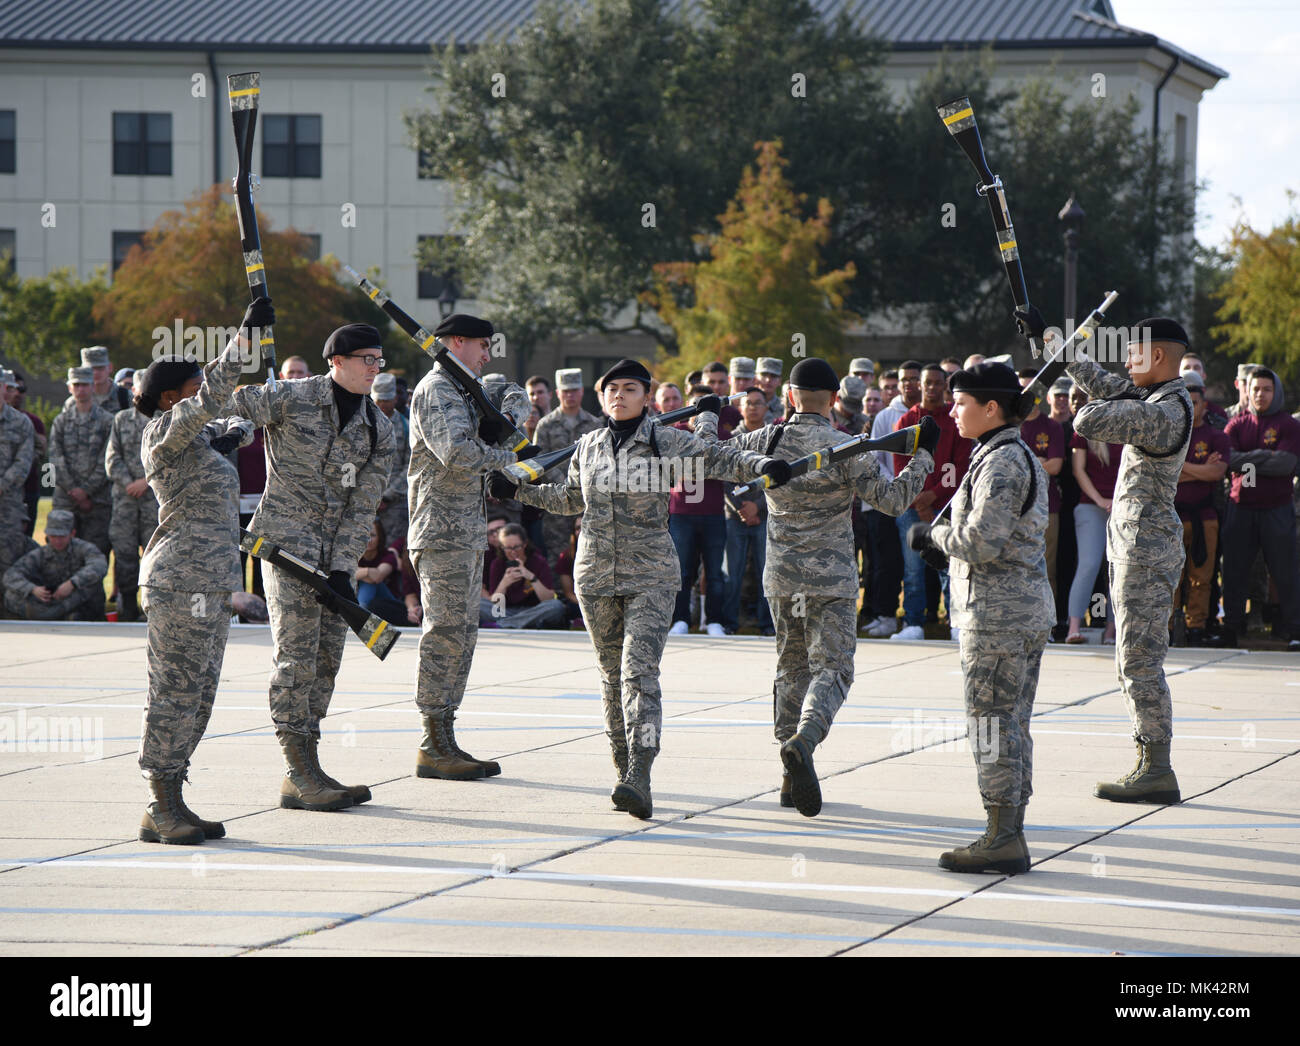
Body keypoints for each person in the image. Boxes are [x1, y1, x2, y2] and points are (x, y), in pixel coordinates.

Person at [490, 358, 784, 818]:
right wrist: (518, 491)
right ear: (601, 397)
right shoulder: (586, 446)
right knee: (610, 681)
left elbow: (719, 457)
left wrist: (764, 464)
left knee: (638, 674)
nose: (620, 396)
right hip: (595, 576)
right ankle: (623, 771)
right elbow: (570, 498)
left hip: (650, 575)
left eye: (631, 389)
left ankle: (641, 774)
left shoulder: (665, 441)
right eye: (612, 389)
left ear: (647, 398)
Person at [730, 358, 936, 816]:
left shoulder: (767, 439)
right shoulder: (848, 448)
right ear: (835, 400)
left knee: (790, 669)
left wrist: (706, 417)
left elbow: (713, 456)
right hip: (833, 578)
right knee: (834, 669)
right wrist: (923, 456)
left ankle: (789, 771)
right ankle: (805, 738)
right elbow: (893, 501)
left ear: (789, 396)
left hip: (783, 578)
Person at [227, 322, 395, 810]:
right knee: (296, 657)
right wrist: (244, 340)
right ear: (336, 360)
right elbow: (225, 402)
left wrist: (344, 568)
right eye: (366, 358)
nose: (374, 368)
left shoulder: (379, 428)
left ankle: (310, 763)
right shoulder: (291, 396)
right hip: (284, 547)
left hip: (332, 557)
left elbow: (363, 506)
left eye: (378, 360)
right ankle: (296, 768)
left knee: (327, 659)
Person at [133, 299, 271, 843]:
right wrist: (246, 338)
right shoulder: (163, 430)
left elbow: (229, 419)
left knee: (200, 693)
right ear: (172, 397)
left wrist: (230, 433)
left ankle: (175, 797)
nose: (204, 400)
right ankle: (159, 803)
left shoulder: (194, 438)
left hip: (210, 584)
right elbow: (215, 394)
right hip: (176, 580)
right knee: (173, 689)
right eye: (193, 391)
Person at [908, 362, 1051, 874]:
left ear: (991, 408)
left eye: (961, 402)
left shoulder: (1003, 462)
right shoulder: (1000, 454)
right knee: (1010, 725)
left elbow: (982, 542)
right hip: (1013, 611)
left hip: (999, 617)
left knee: (992, 725)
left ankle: (1003, 835)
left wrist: (933, 538)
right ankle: (1006, 829)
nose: (952, 411)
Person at [1046, 312, 1194, 804]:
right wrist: (1054, 343)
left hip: (1147, 550)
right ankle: (1151, 760)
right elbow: (1103, 383)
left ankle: (1157, 767)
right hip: (1136, 544)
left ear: (1156, 356)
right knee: (1132, 657)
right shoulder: (1153, 397)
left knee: (1139, 660)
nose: (1124, 361)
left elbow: (1090, 417)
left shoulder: (1167, 411)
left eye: (1132, 352)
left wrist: (1092, 401)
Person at [407, 313, 535, 782]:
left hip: (463, 532)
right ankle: (432, 741)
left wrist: (508, 420)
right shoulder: (437, 390)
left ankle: (444, 737)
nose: (487, 355)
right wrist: (510, 455)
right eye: (482, 345)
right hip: (440, 533)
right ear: (455, 342)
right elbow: (459, 454)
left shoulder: (466, 390)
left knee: (462, 635)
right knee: (444, 634)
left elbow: (514, 393)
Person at [1222, 366, 1300, 648]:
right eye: (1255, 389)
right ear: (1247, 390)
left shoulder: (1289, 425)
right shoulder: (1236, 424)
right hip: (1241, 508)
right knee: (1233, 570)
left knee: (1285, 571)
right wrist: (1265, 455)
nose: (1260, 394)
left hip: (1276, 509)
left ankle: (1292, 629)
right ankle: (1231, 627)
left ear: (1275, 391)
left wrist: (1248, 459)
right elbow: (1228, 460)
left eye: (1266, 389)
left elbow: (1286, 465)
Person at [892, 363, 970, 641]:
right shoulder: (906, 421)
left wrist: (934, 496)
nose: (933, 388)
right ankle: (913, 623)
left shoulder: (953, 420)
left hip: (945, 506)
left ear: (945, 385)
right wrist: (919, 501)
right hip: (912, 507)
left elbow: (958, 467)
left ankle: (956, 622)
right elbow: (902, 465)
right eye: (928, 383)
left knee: (950, 566)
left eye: (939, 383)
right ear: (920, 385)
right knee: (913, 568)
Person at [667, 385, 732, 636]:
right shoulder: (676, 434)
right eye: (697, 408)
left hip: (713, 513)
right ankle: (680, 619)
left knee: (714, 571)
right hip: (681, 513)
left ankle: (714, 620)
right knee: (681, 570)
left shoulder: (721, 436)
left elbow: (721, 467)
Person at [1173, 372, 1230, 645]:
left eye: (1195, 402)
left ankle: (1196, 628)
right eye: (1185, 401)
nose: (1190, 407)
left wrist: (1183, 469)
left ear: (1204, 406)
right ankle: (1171, 628)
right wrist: (1201, 469)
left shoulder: (1216, 436)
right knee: (1172, 577)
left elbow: (1216, 473)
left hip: (1204, 516)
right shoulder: (1171, 436)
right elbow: (1167, 473)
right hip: (1172, 517)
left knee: (1202, 577)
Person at [105, 370, 159, 621]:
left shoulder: (161, 420)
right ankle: (127, 608)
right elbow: (112, 458)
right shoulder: (121, 419)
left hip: (153, 501)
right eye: (139, 388)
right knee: (125, 555)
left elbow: (168, 458)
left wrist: (145, 482)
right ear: (133, 391)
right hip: (125, 500)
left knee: (154, 556)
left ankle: (153, 609)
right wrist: (129, 483)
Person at [534, 368, 601, 569]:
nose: (570, 395)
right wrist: (565, 483)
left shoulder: (595, 424)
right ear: (557, 393)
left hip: (587, 500)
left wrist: (580, 483)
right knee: (557, 555)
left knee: (590, 553)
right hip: (556, 500)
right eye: (565, 391)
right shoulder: (545, 425)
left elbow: (601, 460)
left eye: (574, 390)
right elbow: (539, 460)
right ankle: (560, 599)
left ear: (581, 391)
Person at [1065, 409, 1121, 644]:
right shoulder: (1084, 430)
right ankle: (1073, 628)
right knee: (1088, 565)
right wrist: (1099, 500)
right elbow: (1078, 470)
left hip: (1121, 507)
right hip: (1091, 505)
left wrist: (1118, 501)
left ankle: (1111, 631)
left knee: (1116, 569)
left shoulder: (1128, 430)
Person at [722, 387, 775, 636]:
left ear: (766, 407)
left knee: (767, 571)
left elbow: (779, 476)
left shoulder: (774, 438)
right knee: (733, 572)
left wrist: (759, 506)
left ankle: (767, 624)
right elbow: (722, 477)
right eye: (748, 403)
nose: (753, 407)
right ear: (741, 408)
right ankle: (729, 623)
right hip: (735, 515)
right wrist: (741, 507)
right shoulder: (730, 439)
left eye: (758, 403)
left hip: (765, 514)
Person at [48, 366, 114, 556]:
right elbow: (54, 459)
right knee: (60, 555)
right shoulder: (60, 421)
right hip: (65, 500)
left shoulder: (107, 421)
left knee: (96, 553)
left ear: (93, 386)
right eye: (76, 385)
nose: (80, 389)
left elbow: (107, 459)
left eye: (85, 385)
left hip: (98, 500)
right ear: (69, 388)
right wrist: (74, 491)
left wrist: (86, 491)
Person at [3, 508, 107, 620]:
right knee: (11, 595)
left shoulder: (85, 548)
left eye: (62, 536)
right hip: (53, 600)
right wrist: (33, 589)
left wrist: (72, 583)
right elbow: (11, 575)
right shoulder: (40, 554)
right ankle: (54, 615)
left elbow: (99, 565)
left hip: (78, 602)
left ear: (72, 533)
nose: (57, 541)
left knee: (92, 586)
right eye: (53, 536)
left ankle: (52, 615)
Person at [1017, 368, 1065, 610]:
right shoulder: (1009, 426)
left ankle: (1048, 622)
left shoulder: (1052, 427)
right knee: (1016, 566)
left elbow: (1056, 465)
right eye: (1023, 388)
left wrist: (1023, 463)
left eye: (1033, 389)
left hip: (1047, 507)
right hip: (1012, 509)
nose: (1028, 394)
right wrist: (1039, 461)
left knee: (1047, 566)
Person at [481, 523, 569, 629]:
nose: (513, 552)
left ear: (525, 544)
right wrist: (504, 583)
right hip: (506, 611)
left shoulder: (538, 561)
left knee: (556, 606)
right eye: (508, 548)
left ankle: (504, 624)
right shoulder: (497, 564)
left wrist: (531, 577)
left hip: (533, 611)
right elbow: (494, 603)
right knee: (478, 604)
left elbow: (548, 599)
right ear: (502, 548)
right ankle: (518, 623)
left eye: (517, 547)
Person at [0, 367, 35, 574]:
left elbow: (24, 462)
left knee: (8, 563)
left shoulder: (21, 422)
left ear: (4, 388)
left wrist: (2, 485)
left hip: (9, 506)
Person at [5, 370, 46, 539]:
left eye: (20, 390)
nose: (16, 394)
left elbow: (40, 450)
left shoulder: (30, 422)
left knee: (22, 541)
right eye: (10, 388)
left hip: (25, 490)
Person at [371, 372, 410, 546]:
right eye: (379, 400)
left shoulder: (406, 426)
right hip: (365, 498)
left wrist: (387, 496)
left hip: (395, 503)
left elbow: (410, 466)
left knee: (393, 549)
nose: (383, 405)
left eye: (387, 400)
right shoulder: (362, 423)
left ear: (395, 398)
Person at [355, 517, 410, 625]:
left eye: (373, 535)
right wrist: (367, 572)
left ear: (380, 537)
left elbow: (378, 576)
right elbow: (346, 573)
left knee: (372, 584)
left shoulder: (388, 556)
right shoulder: (355, 555)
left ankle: (360, 617)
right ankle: (362, 613)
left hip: (390, 605)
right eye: (365, 535)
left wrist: (359, 572)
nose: (369, 539)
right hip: (365, 602)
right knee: (368, 581)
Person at [75, 346, 131, 414]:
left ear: (110, 367)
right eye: (91, 369)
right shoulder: (76, 401)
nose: (96, 372)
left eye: (100, 368)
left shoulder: (125, 396)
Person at [757, 357, 784, 424]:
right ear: (756, 378)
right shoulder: (744, 404)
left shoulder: (785, 408)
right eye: (764, 375)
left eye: (773, 376)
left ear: (780, 381)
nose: (768, 380)